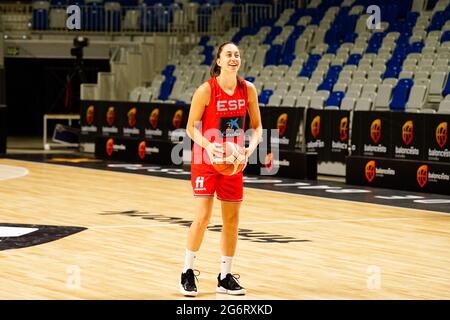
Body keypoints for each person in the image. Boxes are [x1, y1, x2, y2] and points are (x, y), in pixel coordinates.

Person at [180, 41, 262, 297]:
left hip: (234, 162)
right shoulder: (206, 90)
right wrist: (208, 145)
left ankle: (225, 276)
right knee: (203, 217)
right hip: (206, 159)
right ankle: (187, 272)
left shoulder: (247, 89)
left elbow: (258, 127)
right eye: (229, 55)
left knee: (232, 220)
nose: (234, 58)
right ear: (218, 61)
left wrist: (250, 148)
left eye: (237, 55)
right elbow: (191, 127)